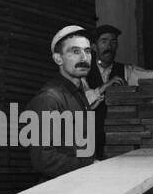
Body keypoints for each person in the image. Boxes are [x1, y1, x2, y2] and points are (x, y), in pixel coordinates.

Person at [85, 23, 153, 158]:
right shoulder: (83, 72)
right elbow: (81, 101)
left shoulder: (126, 70)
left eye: (113, 42)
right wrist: (104, 87)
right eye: (104, 41)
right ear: (94, 47)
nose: (109, 46)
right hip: (89, 136)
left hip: (115, 139)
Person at [25, 25, 102, 180]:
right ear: (58, 58)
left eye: (87, 51)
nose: (84, 58)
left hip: (78, 185)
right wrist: (90, 166)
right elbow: (43, 159)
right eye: (75, 51)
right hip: (57, 192)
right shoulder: (48, 99)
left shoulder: (78, 94)